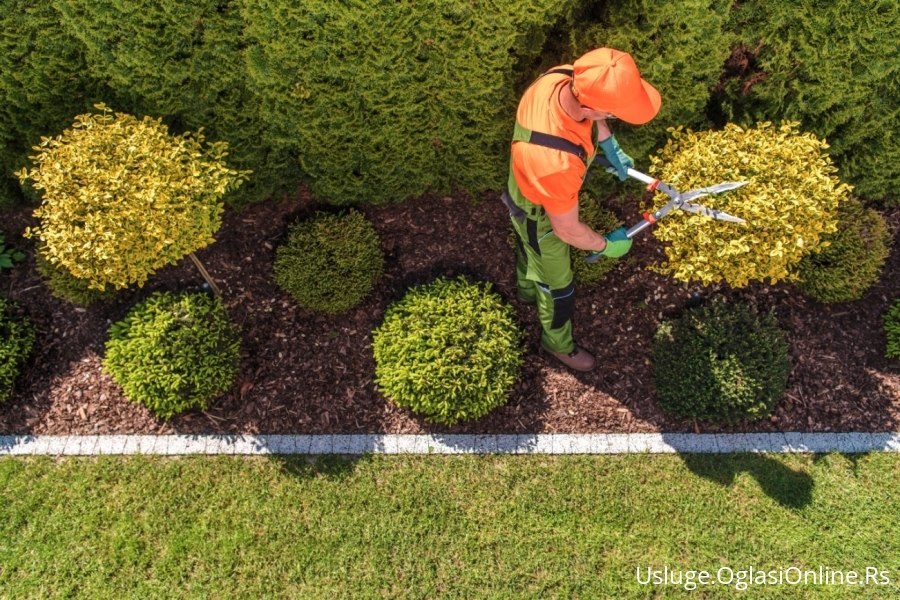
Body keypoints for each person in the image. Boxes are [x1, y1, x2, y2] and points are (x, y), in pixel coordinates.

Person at [502, 48, 661, 371]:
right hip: (539, 214)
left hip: (524, 184)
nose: (611, 120)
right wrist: (607, 244)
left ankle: (524, 289)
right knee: (557, 287)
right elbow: (567, 230)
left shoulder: (562, 77)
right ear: (589, 106)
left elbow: (593, 113)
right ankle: (557, 344)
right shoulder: (556, 164)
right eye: (613, 114)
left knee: (526, 247)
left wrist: (608, 144)